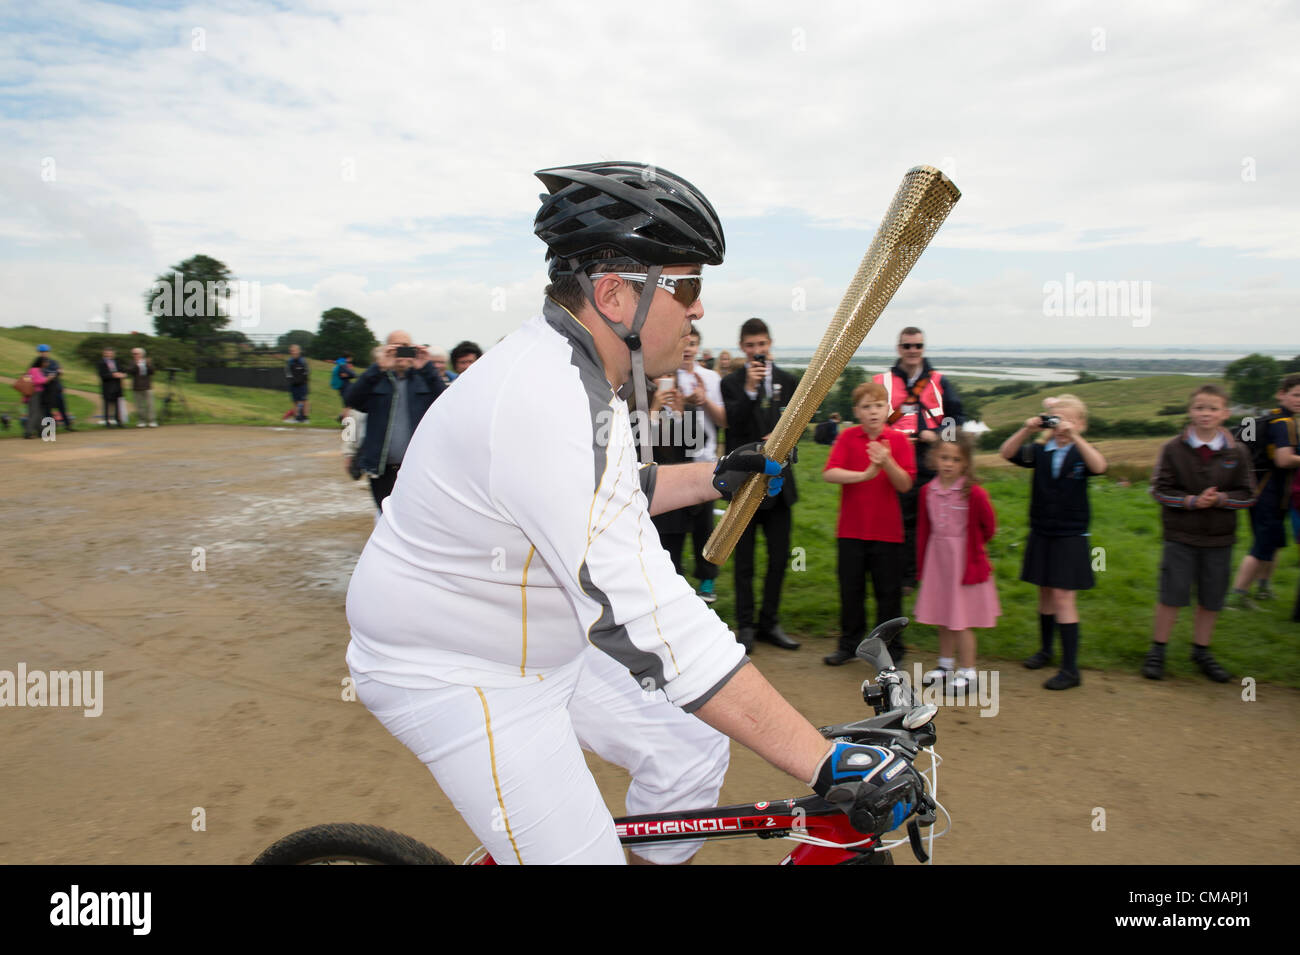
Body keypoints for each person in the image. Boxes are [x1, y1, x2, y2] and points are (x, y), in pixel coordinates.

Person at [343, 161, 923, 865]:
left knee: (693, 744)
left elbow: (614, 491)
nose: (701, 310)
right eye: (690, 286)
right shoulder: (546, 399)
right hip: (455, 665)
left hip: (543, 634)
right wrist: (822, 761)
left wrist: (714, 475)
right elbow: (651, 620)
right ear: (616, 294)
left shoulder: (585, 375)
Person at [1143, 385, 1256, 682]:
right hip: (1180, 535)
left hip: (1220, 538)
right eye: (1200, 408)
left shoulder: (1238, 451)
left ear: (1226, 413)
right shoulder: (1172, 448)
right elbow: (1159, 490)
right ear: (1190, 411)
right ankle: (1158, 650)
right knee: (1171, 594)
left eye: (1213, 408)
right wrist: (1191, 501)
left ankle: (1201, 651)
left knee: (1212, 597)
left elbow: (1247, 495)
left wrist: (1220, 499)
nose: (1206, 414)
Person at [999, 395, 1107, 690]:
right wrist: (1027, 429)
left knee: (1063, 597)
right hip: (1042, 530)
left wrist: (1076, 438)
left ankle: (1071, 669)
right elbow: (1006, 453)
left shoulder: (1082, 453)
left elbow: (1099, 467)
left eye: (1068, 418)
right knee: (1045, 593)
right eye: (1055, 417)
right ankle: (1046, 651)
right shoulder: (1041, 450)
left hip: (1071, 535)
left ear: (1081, 423)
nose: (1060, 424)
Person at [822, 382, 916, 666]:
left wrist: (886, 462)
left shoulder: (899, 440)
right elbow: (830, 473)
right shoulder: (848, 437)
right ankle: (849, 645)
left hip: (887, 533)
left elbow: (905, 484)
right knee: (851, 591)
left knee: (887, 594)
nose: (873, 412)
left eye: (878, 405)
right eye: (866, 406)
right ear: (857, 412)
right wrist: (864, 475)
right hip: (850, 531)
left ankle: (891, 650)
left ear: (887, 409)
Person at [721, 318, 800, 651]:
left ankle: (770, 623)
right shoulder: (731, 384)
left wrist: (784, 439)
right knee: (745, 562)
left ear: (771, 344)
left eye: (762, 345)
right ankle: (747, 627)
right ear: (742, 347)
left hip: (779, 485)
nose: (757, 352)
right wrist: (751, 392)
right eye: (751, 346)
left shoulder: (789, 381)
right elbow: (735, 426)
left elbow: (798, 424)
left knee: (780, 559)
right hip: (745, 484)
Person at [873, 328, 964, 593]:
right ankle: (901, 576)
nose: (913, 350)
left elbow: (957, 418)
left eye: (918, 346)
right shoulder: (883, 381)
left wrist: (935, 434)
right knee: (897, 519)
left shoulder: (939, 381)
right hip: (893, 459)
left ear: (923, 348)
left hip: (931, 460)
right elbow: (870, 414)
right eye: (907, 346)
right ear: (899, 348)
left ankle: (928, 576)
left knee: (932, 520)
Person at [915, 435, 1000, 690]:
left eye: (956, 459)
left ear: (965, 463)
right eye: (944, 457)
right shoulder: (927, 491)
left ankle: (968, 672)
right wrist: (921, 566)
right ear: (934, 459)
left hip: (964, 564)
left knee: (961, 620)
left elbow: (989, 527)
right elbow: (923, 529)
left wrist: (969, 549)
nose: (949, 464)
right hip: (937, 562)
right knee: (943, 616)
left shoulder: (973, 493)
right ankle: (944, 664)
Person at [345, 330, 446, 510]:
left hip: (415, 468)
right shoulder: (376, 379)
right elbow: (352, 400)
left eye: (406, 347)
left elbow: (445, 403)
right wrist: (379, 367)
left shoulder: (423, 378)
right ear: (386, 350)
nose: (401, 352)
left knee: (415, 515)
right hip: (382, 469)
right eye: (396, 347)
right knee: (386, 515)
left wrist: (427, 368)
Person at [1228, 374, 1300, 609]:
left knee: (1274, 541)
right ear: (1281, 394)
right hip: (1268, 492)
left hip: (1261, 489)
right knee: (1263, 544)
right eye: (1296, 395)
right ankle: (1238, 595)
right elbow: (1283, 459)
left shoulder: (1270, 417)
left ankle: (1263, 588)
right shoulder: (1284, 423)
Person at [35, 345, 73, 431]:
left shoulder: (53, 362)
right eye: (42, 352)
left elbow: (59, 372)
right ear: (39, 353)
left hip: (56, 388)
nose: (44, 353)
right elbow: (39, 375)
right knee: (47, 410)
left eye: (45, 351)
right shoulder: (37, 363)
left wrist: (54, 374)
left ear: (48, 352)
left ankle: (68, 425)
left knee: (62, 407)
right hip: (46, 390)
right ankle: (51, 427)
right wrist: (52, 374)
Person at [126, 347, 158, 427]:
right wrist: (136, 365)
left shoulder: (147, 361)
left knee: (150, 405)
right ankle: (141, 420)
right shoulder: (132, 362)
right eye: (133, 354)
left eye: (136, 353)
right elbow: (130, 371)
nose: (134, 355)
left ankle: (152, 421)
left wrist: (148, 364)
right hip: (136, 387)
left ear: (142, 354)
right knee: (139, 405)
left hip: (147, 386)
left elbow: (152, 371)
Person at [96, 347, 127, 428]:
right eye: (107, 353)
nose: (109, 354)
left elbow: (123, 370)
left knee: (117, 404)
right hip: (107, 386)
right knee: (107, 405)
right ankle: (107, 422)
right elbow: (102, 375)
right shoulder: (101, 363)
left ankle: (118, 421)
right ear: (104, 354)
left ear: (113, 354)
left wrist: (123, 374)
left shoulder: (116, 362)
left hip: (117, 386)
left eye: (111, 353)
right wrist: (113, 375)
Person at [21, 356, 51, 438]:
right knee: (34, 413)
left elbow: (29, 380)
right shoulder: (35, 370)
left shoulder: (33, 370)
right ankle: (28, 433)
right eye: (45, 362)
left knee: (39, 413)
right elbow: (37, 381)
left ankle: (42, 431)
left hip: (37, 393)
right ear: (41, 363)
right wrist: (47, 378)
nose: (47, 363)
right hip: (34, 393)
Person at [284, 344, 310, 422]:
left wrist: (302, 380)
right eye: (291, 351)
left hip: (302, 384)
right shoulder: (289, 361)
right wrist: (292, 380)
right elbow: (287, 372)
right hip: (293, 384)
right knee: (295, 401)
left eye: (294, 350)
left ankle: (304, 417)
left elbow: (307, 371)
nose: (292, 352)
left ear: (298, 351)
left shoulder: (303, 361)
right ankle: (296, 417)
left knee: (304, 400)